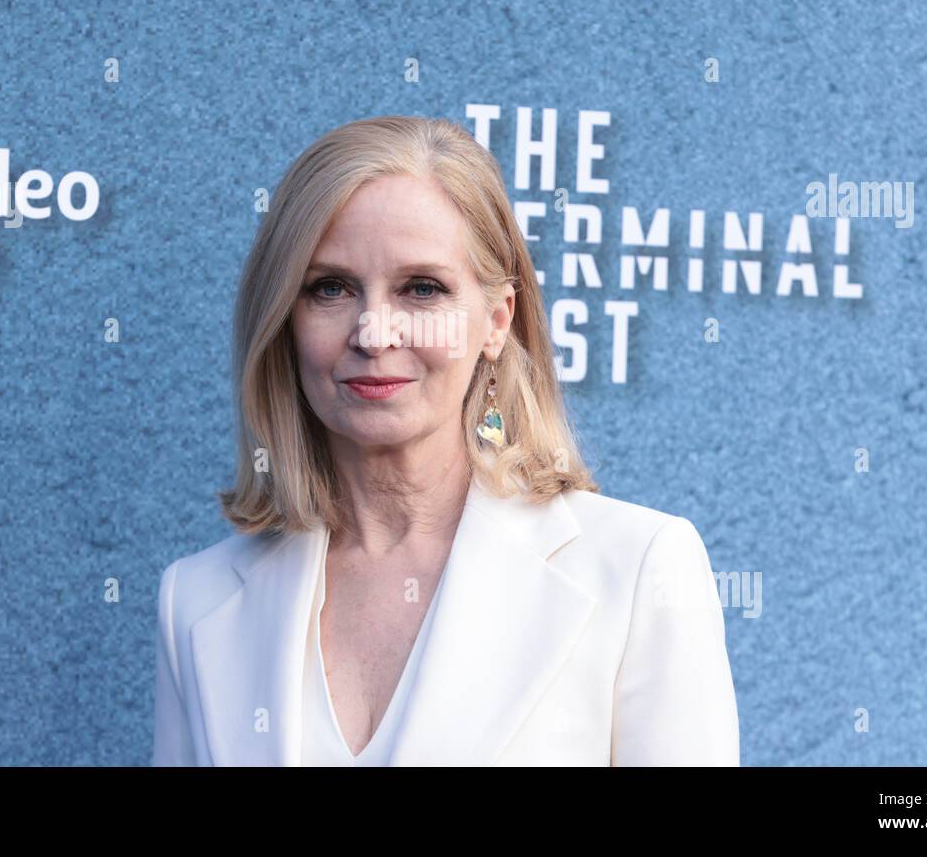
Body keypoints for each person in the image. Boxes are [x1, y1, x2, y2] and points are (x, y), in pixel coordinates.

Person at [152, 115, 739, 766]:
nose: (374, 332)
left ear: (496, 320)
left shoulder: (637, 572)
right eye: (330, 288)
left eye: (421, 288)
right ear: (285, 318)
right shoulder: (197, 600)